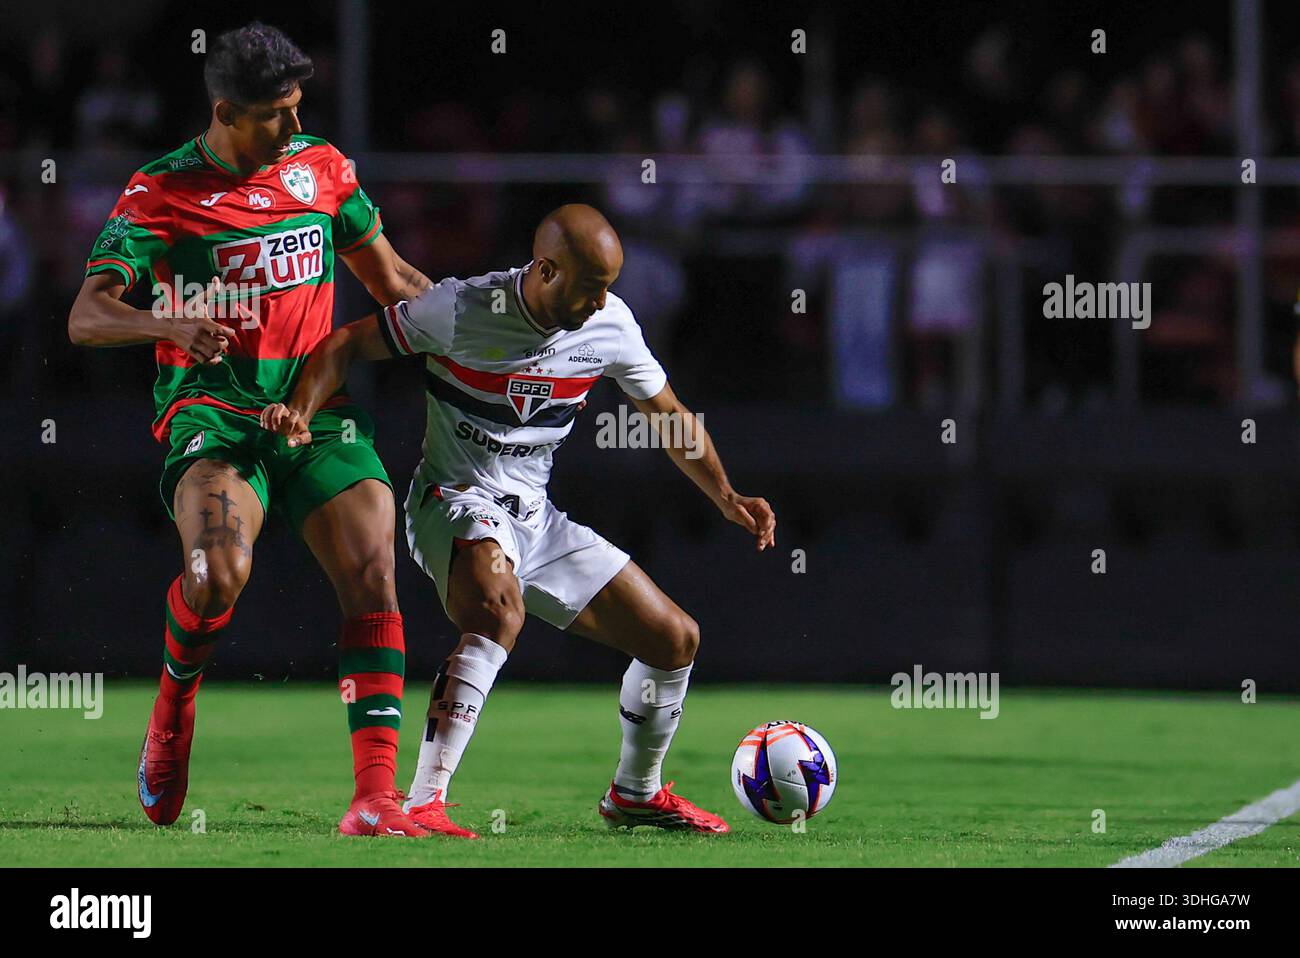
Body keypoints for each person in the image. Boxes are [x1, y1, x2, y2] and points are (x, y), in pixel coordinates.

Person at [262, 203, 777, 836]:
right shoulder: (461, 309)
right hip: (453, 500)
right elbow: (346, 342)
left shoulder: (610, 325)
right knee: (498, 611)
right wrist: (301, 409)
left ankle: (634, 795)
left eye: (607, 288)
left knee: (674, 640)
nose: (599, 302)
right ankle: (423, 800)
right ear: (546, 270)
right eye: (589, 288)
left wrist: (726, 495)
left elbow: (667, 412)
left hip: (536, 519)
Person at [67, 22, 435, 837]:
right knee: (215, 580)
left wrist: (487, 322)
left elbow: (396, 282)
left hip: (314, 412)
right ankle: (172, 710)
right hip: (216, 422)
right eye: (277, 113)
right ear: (228, 111)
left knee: (376, 569)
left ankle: (375, 798)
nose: (294, 126)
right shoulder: (161, 191)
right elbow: (87, 316)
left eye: (300, 107)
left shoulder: (324, 169)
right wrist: (164, 319)